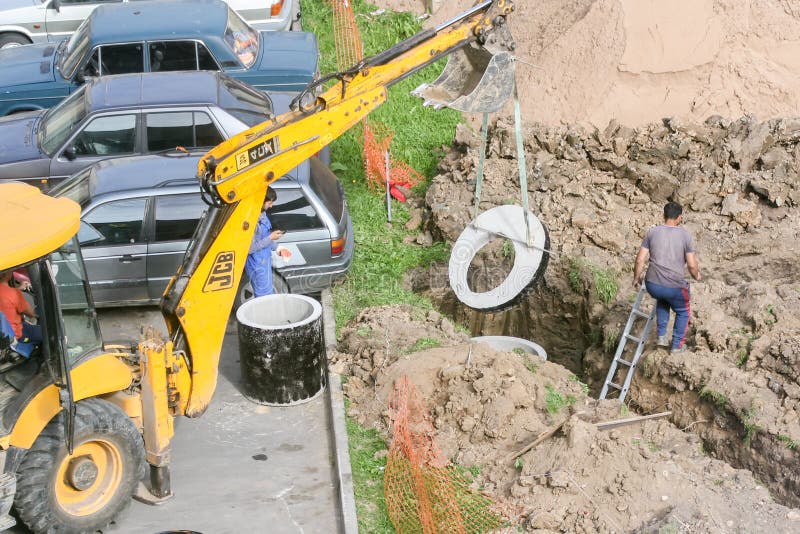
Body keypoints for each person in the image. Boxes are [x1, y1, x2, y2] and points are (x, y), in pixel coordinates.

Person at [633, 201, 701, 353]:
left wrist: (636, 278)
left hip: (652, 284)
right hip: (674, 286)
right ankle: (677, 345)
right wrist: (696, 276)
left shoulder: (652, 232)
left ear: (664, 215)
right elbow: (691, 265)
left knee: (663, 300)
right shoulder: (685, 236)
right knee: (683, 311)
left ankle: (662, 337)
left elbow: (640, 260)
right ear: (679, 218)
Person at [245, 187, 289, 298]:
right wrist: (271, 237)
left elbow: (265, 238)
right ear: (260, 201)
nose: (271, 206)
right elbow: (250, 248)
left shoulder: (262, 214)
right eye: (269, 203)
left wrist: (279, 248)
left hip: (264, 261)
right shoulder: (250, 221)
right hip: (257, 265)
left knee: (268, 293)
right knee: (263, 297)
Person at [0, 270, 42, 349]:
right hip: (18, 334)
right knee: (50, 332)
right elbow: (31, 313)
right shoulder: (14, 294)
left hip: (5, 331)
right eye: (10, 270)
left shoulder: (10, 292)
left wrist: (18, 289)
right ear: (4, 275)